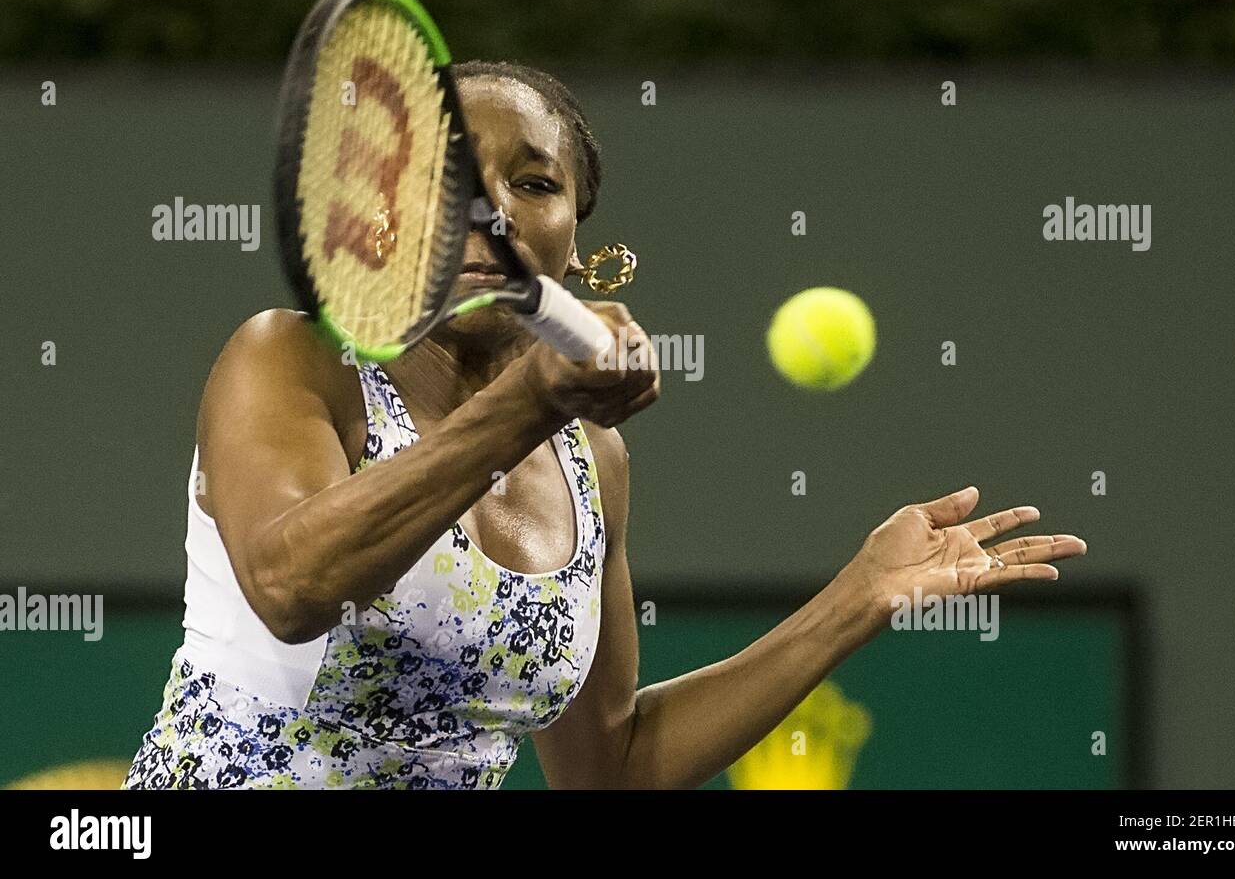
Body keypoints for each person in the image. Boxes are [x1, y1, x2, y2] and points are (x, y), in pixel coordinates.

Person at [124, 61, 1085, 789]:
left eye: (534, 184)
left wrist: (855, 600)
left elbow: (609, 766)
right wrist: (527, 403)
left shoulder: (593, 463)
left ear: (577, 246)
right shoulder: (290, 356)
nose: (487, 207)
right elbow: (294, 586)